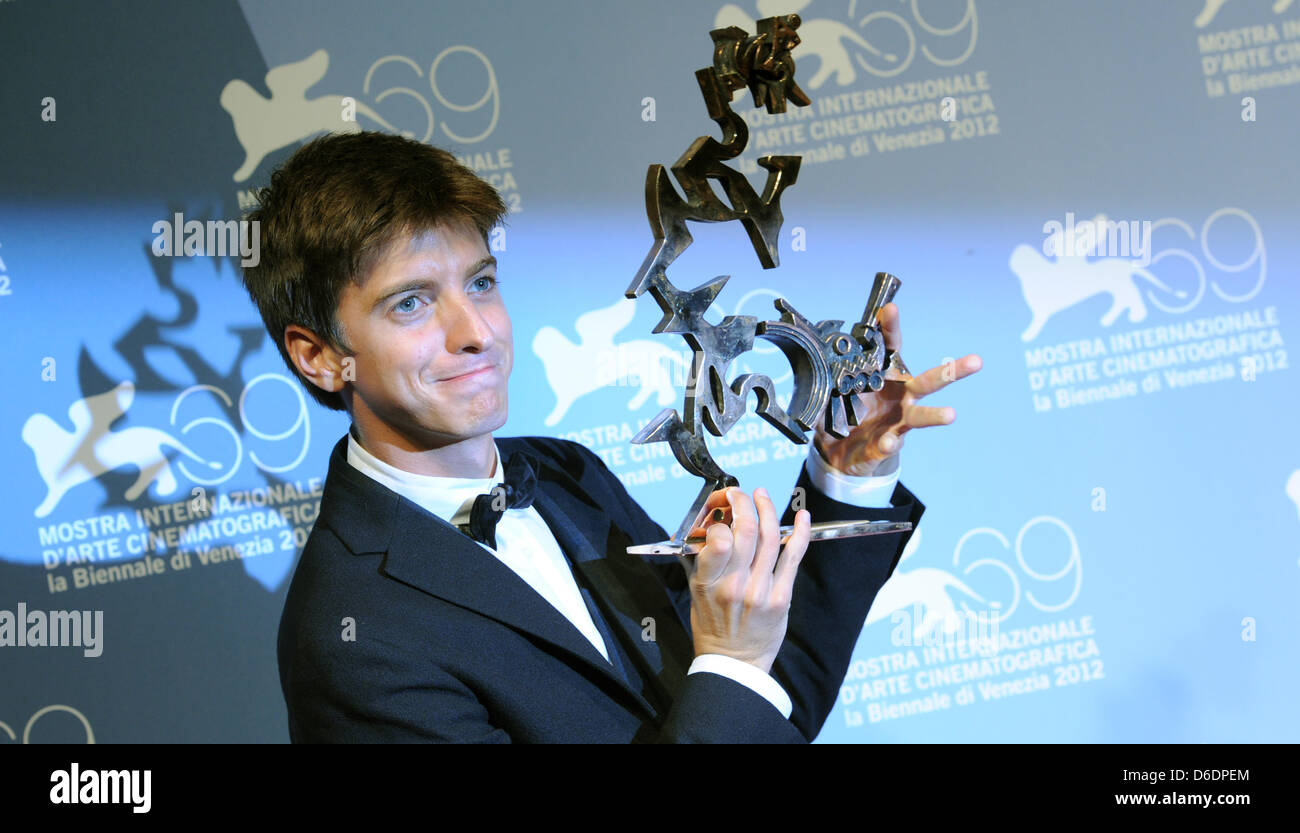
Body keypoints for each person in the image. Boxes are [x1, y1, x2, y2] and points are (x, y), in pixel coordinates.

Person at [240, 130, 982, 742]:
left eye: (481, 281)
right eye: (410, 303)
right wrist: (727, 663)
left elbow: (762, 704)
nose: (477, 333)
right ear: (319, 355)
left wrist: (846, 476)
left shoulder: (566, 473)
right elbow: (729, 684)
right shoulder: (353, 642)